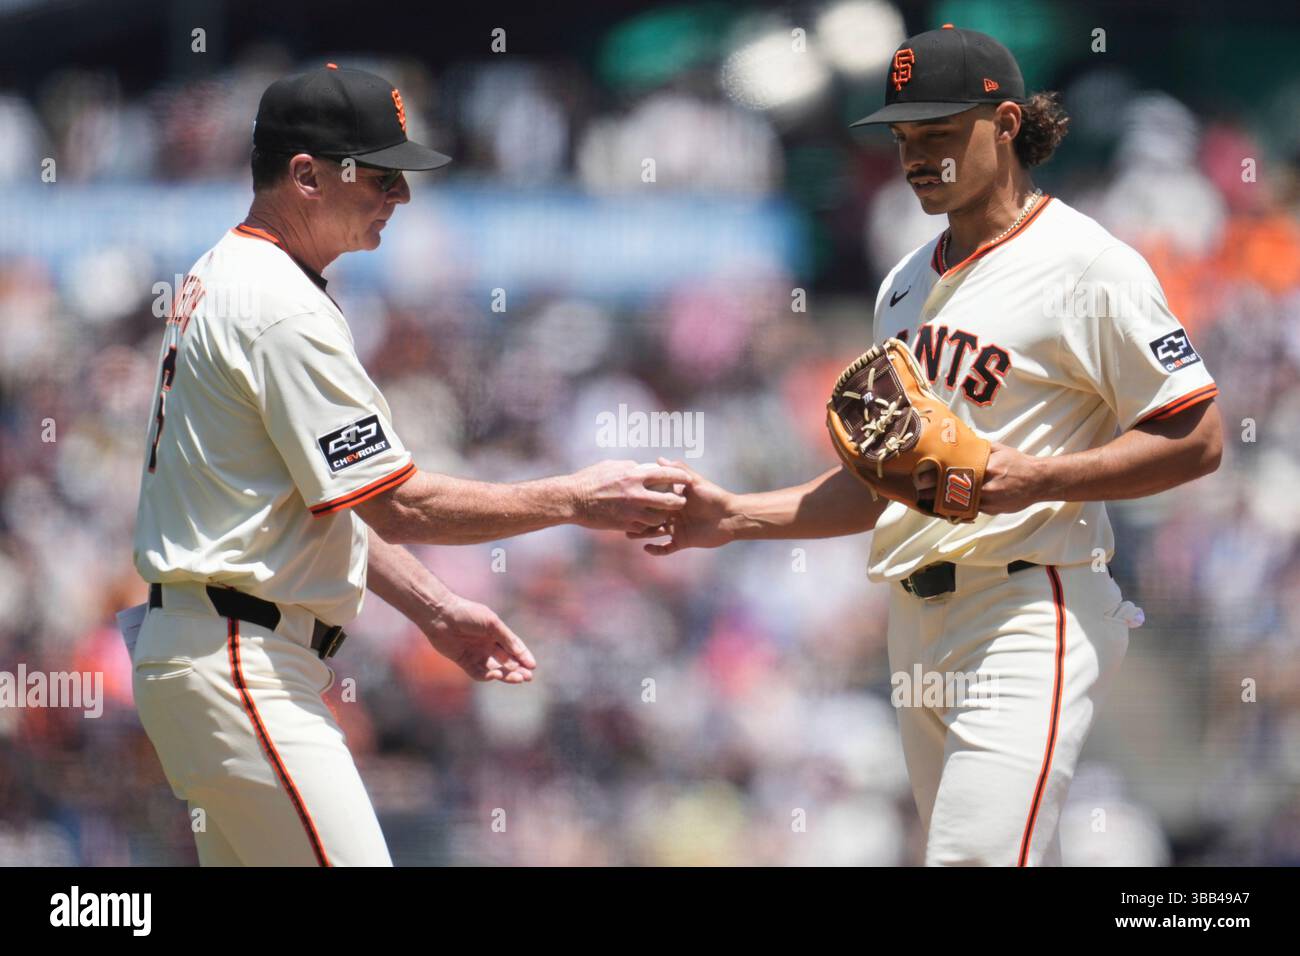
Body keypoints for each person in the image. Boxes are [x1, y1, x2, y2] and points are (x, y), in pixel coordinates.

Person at [635, 26, 1223, 866]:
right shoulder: (903, 283)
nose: (916, 157)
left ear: (1008, 123)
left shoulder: (1089, 264)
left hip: (1029, 604)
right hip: (916, 621)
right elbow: (881, 483)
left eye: (939, 133)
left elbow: (1197, 436)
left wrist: (1039, 477)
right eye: (905, 137)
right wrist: (734, 515)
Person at [129, 64, 691, 867]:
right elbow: (402, 506)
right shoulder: (279, 304)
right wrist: (572, 496)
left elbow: (324, 503)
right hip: (240, 658)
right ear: (306, 175)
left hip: (212, 649)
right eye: (382, 176)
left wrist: (432, 605)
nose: (400, 196)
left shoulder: (231, 276)